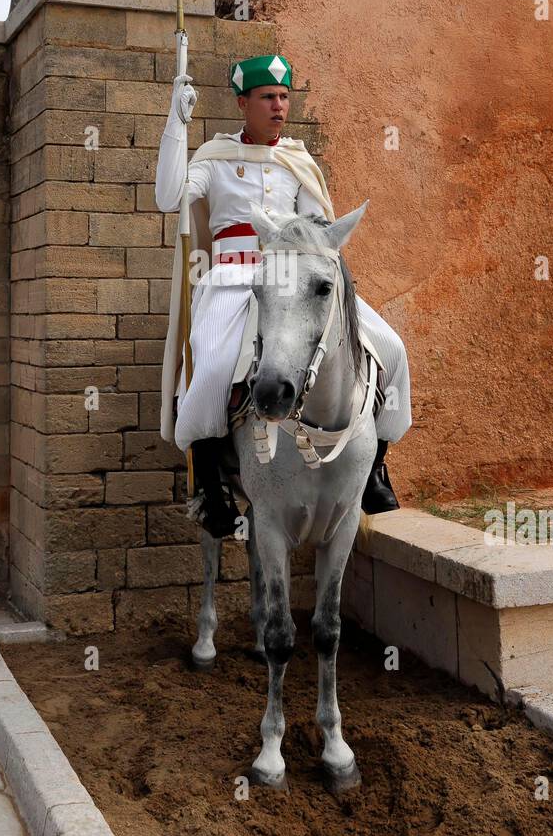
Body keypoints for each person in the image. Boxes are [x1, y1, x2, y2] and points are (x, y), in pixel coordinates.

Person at [155, 53, 412, 537]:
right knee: (210, 367)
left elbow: (319, 234)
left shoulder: (298, 161)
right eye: (268, 97)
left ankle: (375, 465)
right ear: (243, 103)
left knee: (392, 348)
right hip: (231, 281)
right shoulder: (213, 158)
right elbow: (168, 198)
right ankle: (212, 489)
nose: (279, 106)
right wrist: (176, 120)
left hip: (294, 281)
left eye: (284, 96)